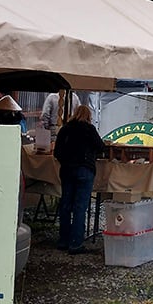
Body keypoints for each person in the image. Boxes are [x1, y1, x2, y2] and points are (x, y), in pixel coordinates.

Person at [53, 104, 105, 254]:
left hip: (67, 169)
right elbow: (101, 147)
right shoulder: (89, 129)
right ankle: (75, 243)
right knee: (80, 207)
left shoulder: (66, 129)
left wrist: (66, 160)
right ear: (89, 116)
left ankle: (63, 240)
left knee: (65, 204)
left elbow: (57, 152)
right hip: (85, 169)